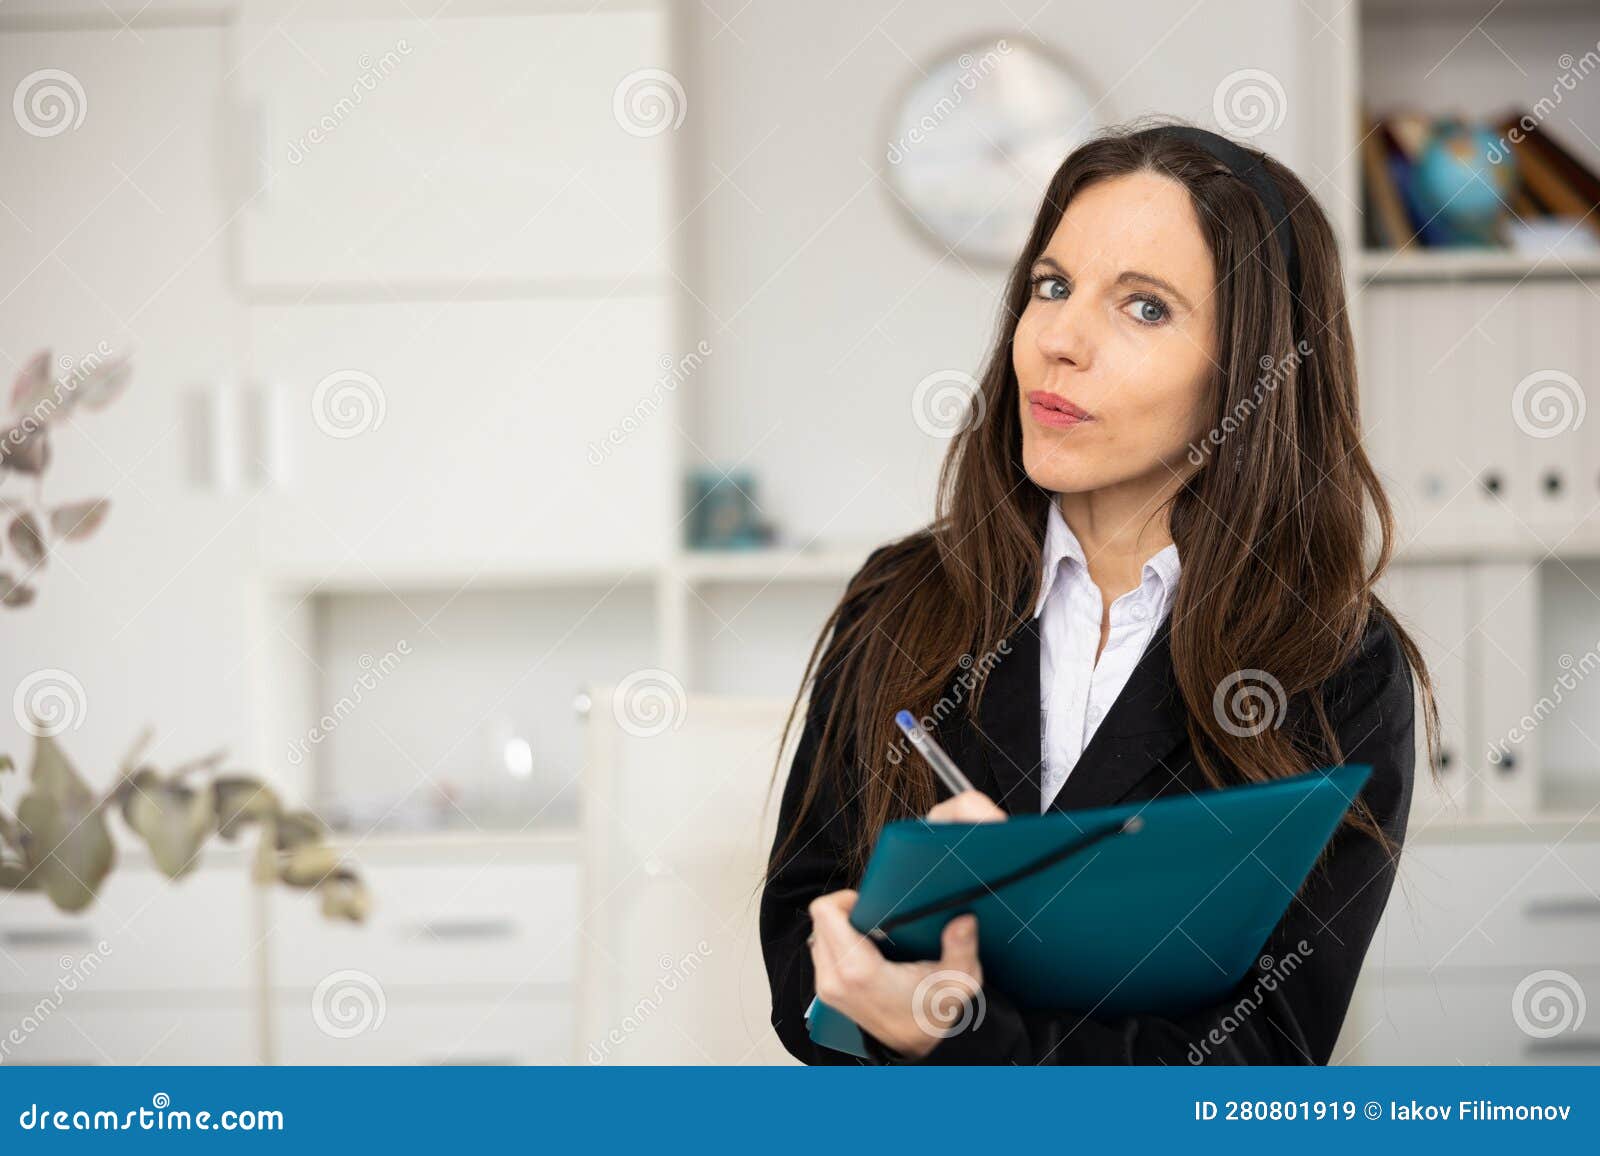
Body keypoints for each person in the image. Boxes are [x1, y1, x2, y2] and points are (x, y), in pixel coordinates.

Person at [758, 119, 1439, 1065]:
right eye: (1052, 286)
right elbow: (800, 960)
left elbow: (1262, 1059)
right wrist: (885, 958)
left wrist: (964, 1024)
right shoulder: (902, 598)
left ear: (1251, 370)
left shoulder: (1334, 661)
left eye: (1146, 308)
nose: (1059, 342)